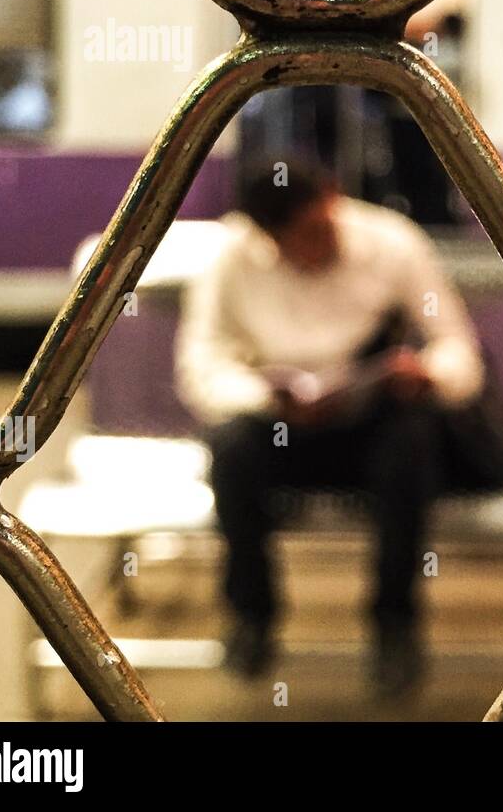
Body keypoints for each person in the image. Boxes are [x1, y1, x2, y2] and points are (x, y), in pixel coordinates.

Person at [174, 161, 485, 696]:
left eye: (322, 229)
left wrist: (427, 375)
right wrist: (263, 396)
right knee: (231, 448)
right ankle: (252, 612)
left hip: (372, 426)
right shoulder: (231, 260)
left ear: (334, 196)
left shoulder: (393, 244)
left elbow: (458, 350)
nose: (316, 248)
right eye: (300, 241)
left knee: (410, 443)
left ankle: (394, 621)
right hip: (282, 429)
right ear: (267, 237)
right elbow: (201, 368)